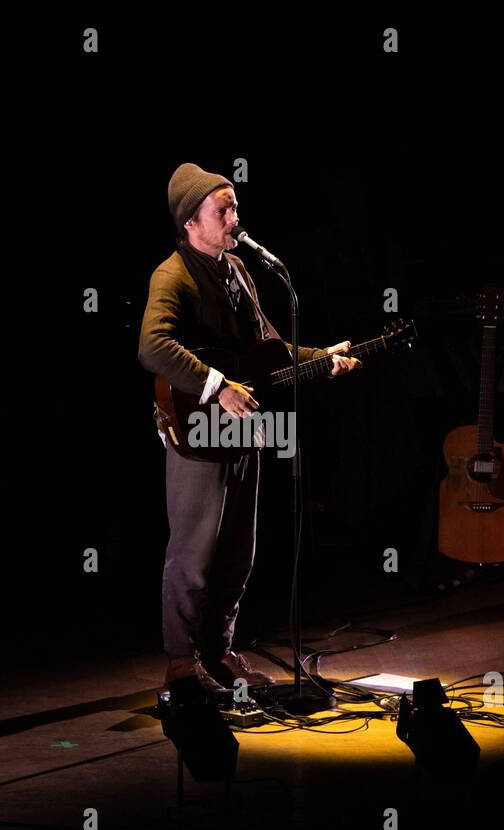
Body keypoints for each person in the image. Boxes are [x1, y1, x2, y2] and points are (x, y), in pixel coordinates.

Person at [138, 162, 360, 694]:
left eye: (235, 205)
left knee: (240, 550)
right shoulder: (172, 275)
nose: (235, 217)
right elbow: (152, 347)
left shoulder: (237, 270)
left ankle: (219, 653)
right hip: (197, 430)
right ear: (191, 223)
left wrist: (322, 358)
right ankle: (180, 663)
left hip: (243, 426)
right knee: (193, 554)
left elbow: (270, 350)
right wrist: (218, 385)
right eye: (224, 209)